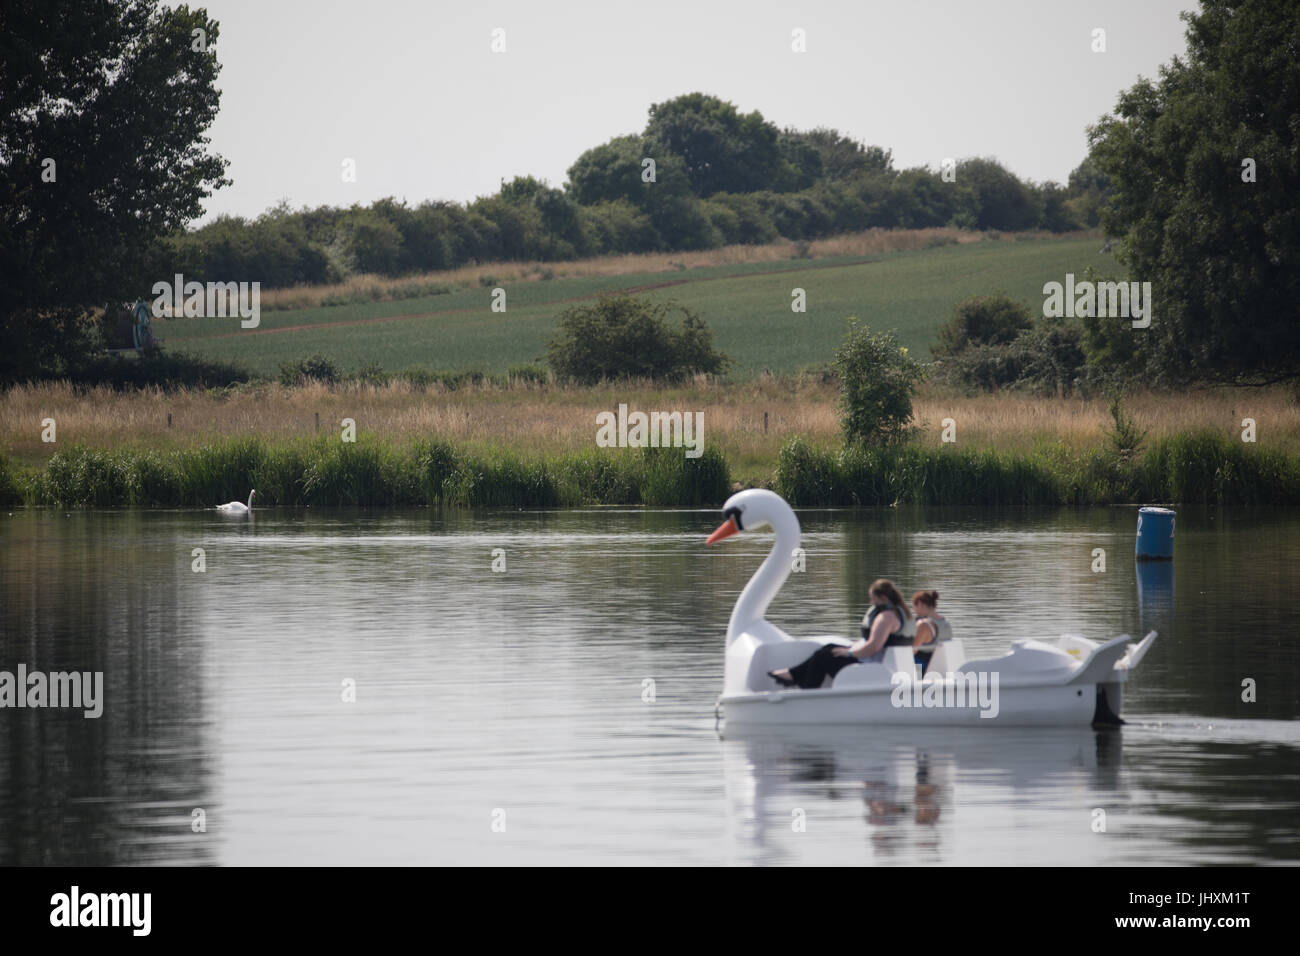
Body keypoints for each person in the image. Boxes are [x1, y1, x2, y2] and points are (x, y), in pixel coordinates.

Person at [768, 579, 912, 689]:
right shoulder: (900, 613)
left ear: (882, 598)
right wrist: (851, 647)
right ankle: (793, 676)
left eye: (872, 598)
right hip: (884, 663)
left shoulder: (885, 617)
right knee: (830, 647)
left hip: (874, 667)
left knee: (823, 656)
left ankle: (806, 690)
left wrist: (849, 653)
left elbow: (873, 647)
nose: (870, 602)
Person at [911, 590, 953, 677]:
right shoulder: (946, 624)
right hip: (941, 669)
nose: (914, 611)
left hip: (921, 671)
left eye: (914, 606)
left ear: (920, 604)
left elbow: (911, 651)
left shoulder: (923, 625)